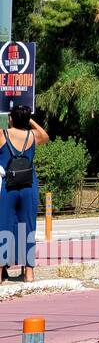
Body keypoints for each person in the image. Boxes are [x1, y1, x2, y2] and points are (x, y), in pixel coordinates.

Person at [0, 104, 49, 282]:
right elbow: (46, 135)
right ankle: (29, 272)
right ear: (26, 120)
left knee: (4, 227)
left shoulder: (2, 134)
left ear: (11, 119)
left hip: (8, 187)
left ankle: (0, 272)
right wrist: (29, 120)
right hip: (29, 186)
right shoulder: (33, 135)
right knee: (28, 228)